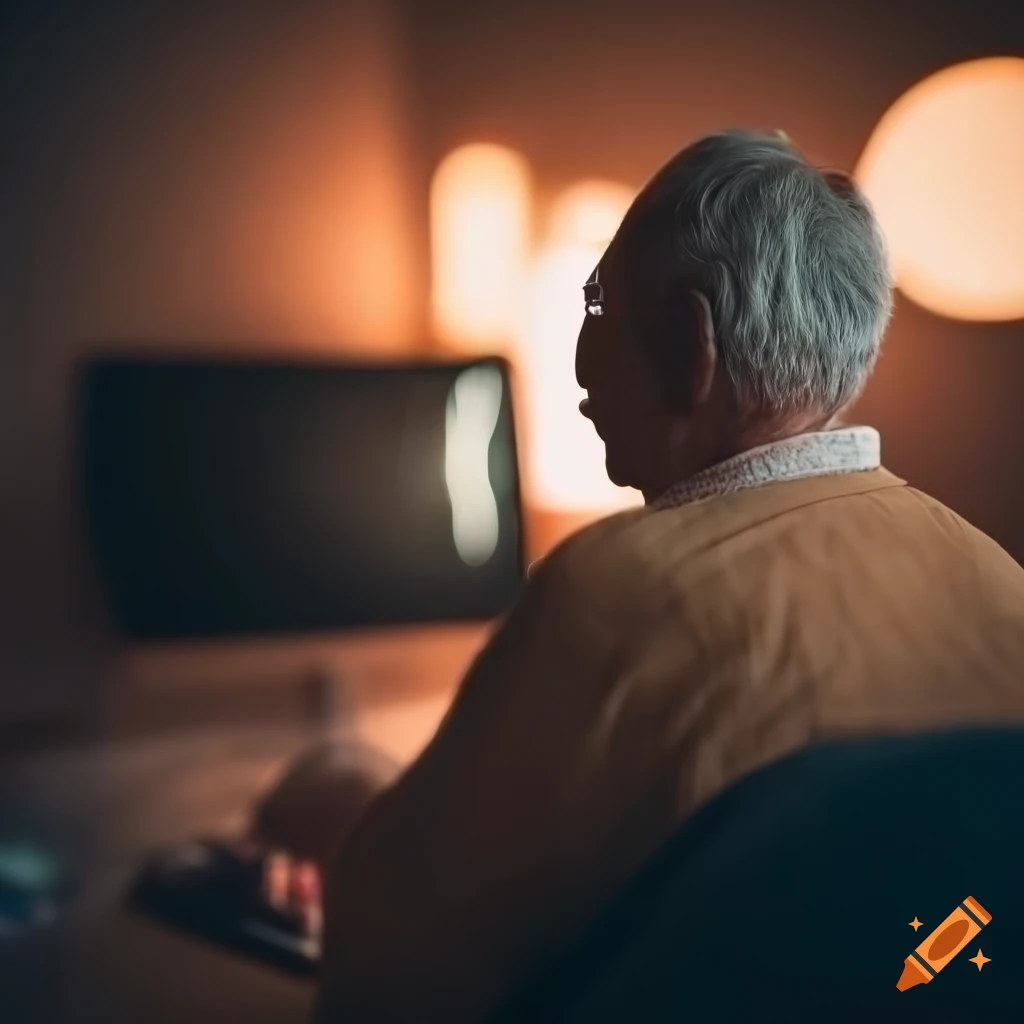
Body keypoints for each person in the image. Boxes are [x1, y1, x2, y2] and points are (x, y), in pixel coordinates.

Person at [287, 129, 1024, 1022]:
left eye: (597, 304)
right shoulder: (999, 580)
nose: (581, 361)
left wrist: (335, 813)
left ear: (690, 342)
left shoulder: (613, 595)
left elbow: (392, 971)